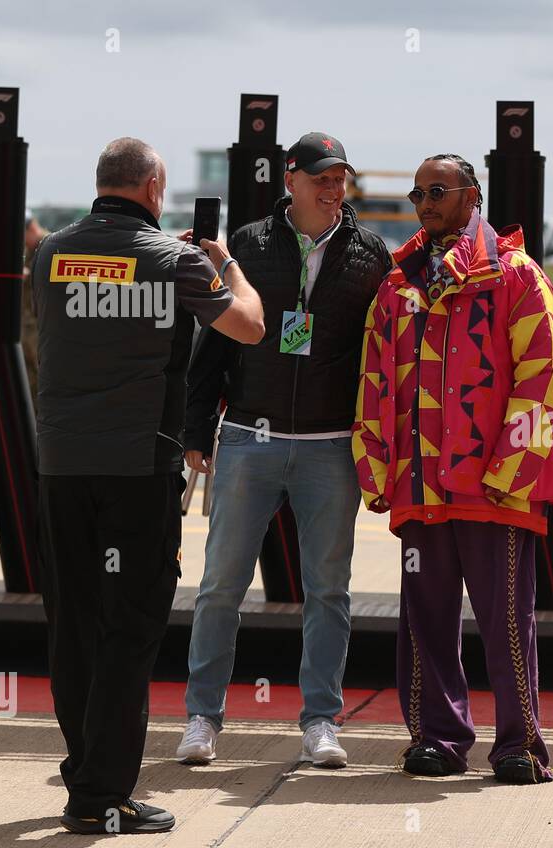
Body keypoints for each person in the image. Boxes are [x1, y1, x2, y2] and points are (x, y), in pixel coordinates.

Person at [33, 137, 264, 835]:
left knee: (74, 624)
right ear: (155, 188)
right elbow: (248, 327)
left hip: (62, 465)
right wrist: (226, 262)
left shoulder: (50, 253)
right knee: (129, 629)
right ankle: (102, 795)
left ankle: (86, 774)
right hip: (136, 469)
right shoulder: (174, 259)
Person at [176, 133, 392, 767]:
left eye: (341, 179)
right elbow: (214, 345)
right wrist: (195, 432)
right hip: (249, 437)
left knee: (329, 591)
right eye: (321, 178)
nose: (333, 189)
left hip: (330, 445)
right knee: (221, 584)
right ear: (291, 179)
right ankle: (202, 717)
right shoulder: (246, 245)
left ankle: (321, 720)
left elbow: (377, 357)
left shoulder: (369, 253)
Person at [353, 154, 553, 784]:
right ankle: (437, 739)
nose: (424, 202)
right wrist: (376, 467)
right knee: (426, 619)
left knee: (506, 623)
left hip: (496, 488)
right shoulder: (397, 286)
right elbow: (372, 379)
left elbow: (542, 378)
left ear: (472, 195)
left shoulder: (516, 276)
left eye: (437, 191)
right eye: (418, 192)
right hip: (419, 486)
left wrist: (510, 470)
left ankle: (518, 745)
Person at [20, 211, 50, 408]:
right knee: (30, 387)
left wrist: (29, 274)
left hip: (41, 330)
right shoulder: (29, 251)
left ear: (31, 228)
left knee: (45, 381)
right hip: (27, 329)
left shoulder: (50, 245)